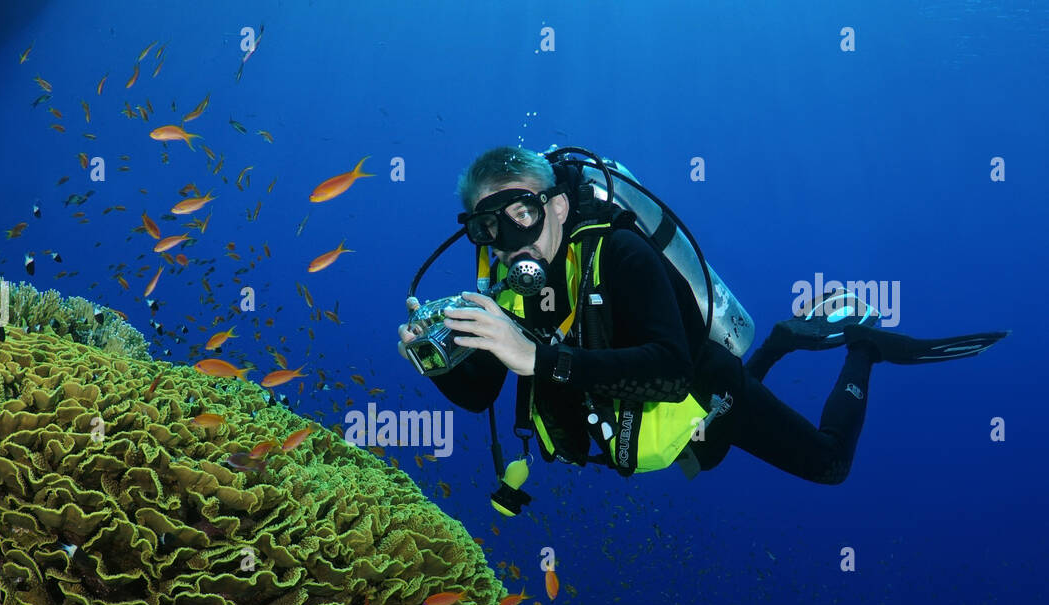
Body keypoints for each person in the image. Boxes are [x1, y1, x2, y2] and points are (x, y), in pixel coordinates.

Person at [398, 146, 1007, 486]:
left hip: (703, 393)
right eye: (486, 226)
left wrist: (537, 358)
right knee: (704, 456)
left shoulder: (624, 255)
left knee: (828, 466)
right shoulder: (508, 292)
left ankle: (862, 350)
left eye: (519, 216)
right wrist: (438, 364)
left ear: (556, 206)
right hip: (654, 434)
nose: (506, 240)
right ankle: (779, 342)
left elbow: (669, 371)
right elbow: (481, 396)